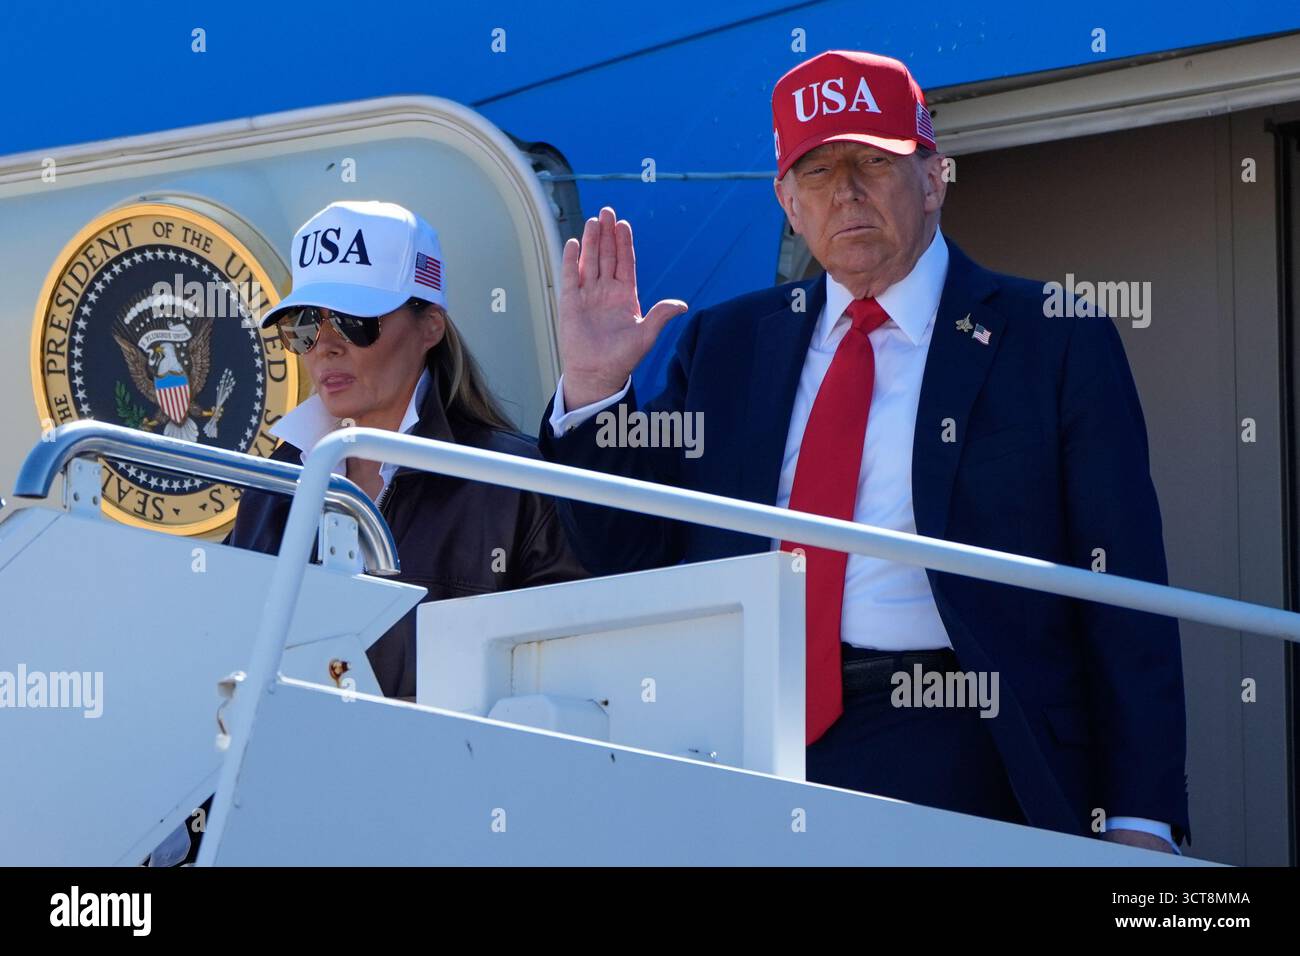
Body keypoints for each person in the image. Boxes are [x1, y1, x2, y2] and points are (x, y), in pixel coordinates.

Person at [538, 51, 1189, 852]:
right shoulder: (728, 343)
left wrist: (1140, 814)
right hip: (737, 732)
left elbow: (1122, 587)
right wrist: (596, 392)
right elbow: (626, 550)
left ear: (933, 178)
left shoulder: (1051, 339)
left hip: (950, 733)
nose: (844, 192)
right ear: (788, 203)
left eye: (871, 162)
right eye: (816, 171)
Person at [230, 199, 587, 698]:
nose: (326, 346)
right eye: (305, 325)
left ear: (430, 327)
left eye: (355, 320)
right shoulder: (270, 488)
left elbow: (566, 682)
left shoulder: (515, 482)